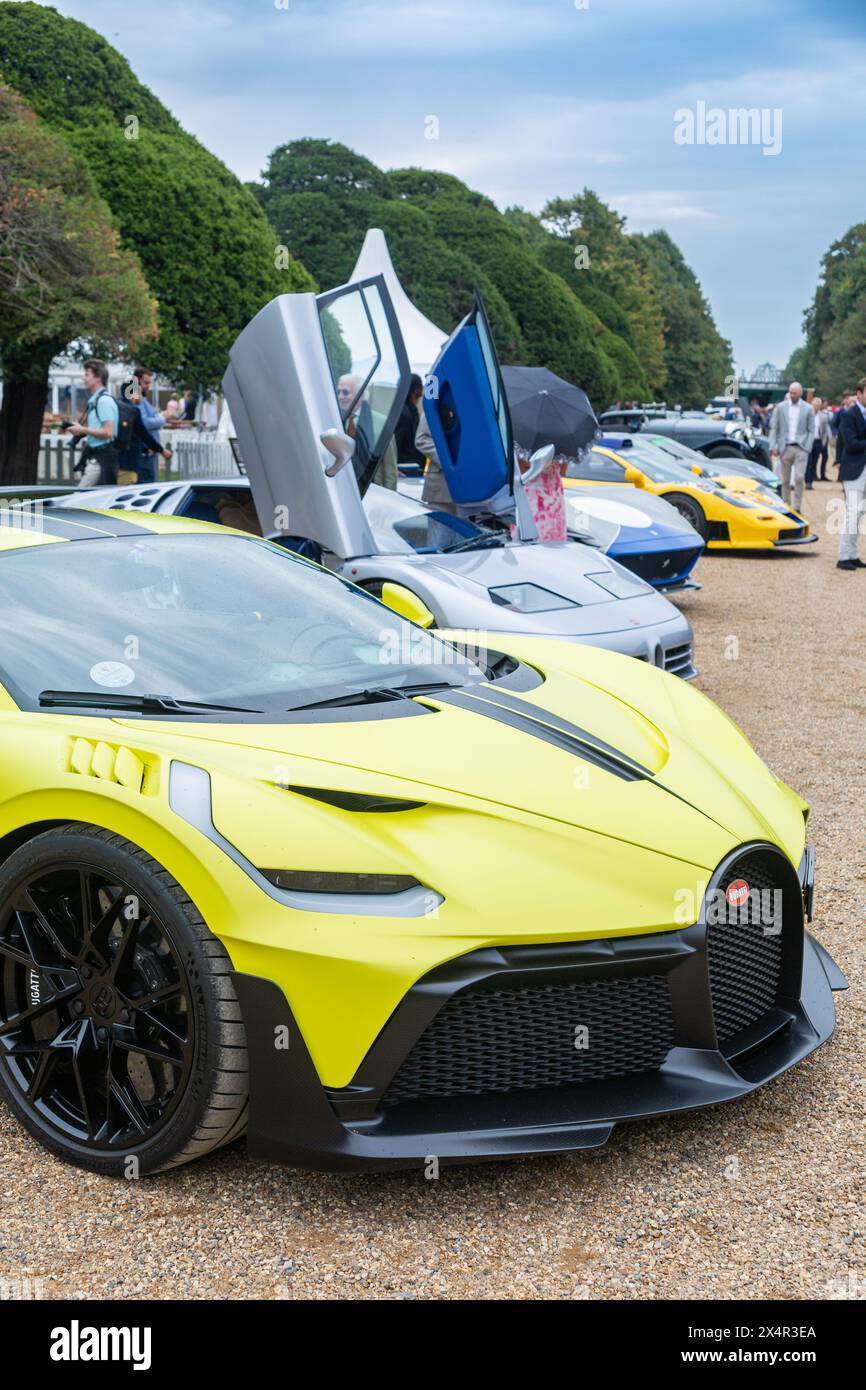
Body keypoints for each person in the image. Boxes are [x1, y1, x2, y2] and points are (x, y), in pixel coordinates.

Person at [65, 359, 119, 486]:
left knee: (81, 495)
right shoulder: (97, 400)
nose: (83, 378)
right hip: (97, 457)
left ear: (98, 378)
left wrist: (82, 430)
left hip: (101, 459)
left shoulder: (104, 401)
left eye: (87, 375)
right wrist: (82, 430)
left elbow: (108, 432)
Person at [768, 381, 815, 511]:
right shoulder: (780, 407)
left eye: (795, 393)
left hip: (801, 448)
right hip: (785, 447)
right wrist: (773, 445)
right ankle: (786, 506)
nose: (792, 395)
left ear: (800, 393)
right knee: (785, 480)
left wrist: (807, 447)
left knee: (799, 478)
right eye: (791, 392)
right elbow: (774, 428)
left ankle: (797, 507)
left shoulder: (808, 408)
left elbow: (811, 430)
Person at [117, 378, 173, 484]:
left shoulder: (117, 407)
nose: (141, 397)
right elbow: (143, 433)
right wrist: (161, 450)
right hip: (130, 460)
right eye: (139, 393)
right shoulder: (132, 411)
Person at [836, 377, 866, 571]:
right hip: (854, 470)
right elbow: (851, 443)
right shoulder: (849, 415)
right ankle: (843, 556)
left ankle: (852, 554)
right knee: (853, 512)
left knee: (860, 514)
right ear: (859, 393)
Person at [394, 374, 425, 470]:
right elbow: (397, 444)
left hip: (413, 466)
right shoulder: (404, 413)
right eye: (421, 386)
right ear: (416, 390)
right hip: (406, 468)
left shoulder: (410, 410)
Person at [805, 396, 830, 488]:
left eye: (818, 406)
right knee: (808, 462)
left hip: (818, 442)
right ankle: (807, 480)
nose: (816, 407)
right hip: (808, 442)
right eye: (815, 405)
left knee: (814, 462)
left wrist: (823, 443)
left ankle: (810, 481)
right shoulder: (807, 415)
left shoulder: (823, 417)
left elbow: (825, 431)